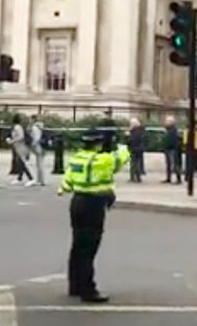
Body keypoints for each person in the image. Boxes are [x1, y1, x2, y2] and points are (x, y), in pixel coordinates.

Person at [59, 126, 130, 304]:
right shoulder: (104, 160)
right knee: (89, 248)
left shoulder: (77, 158)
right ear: (98, 143)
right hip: (94, 204)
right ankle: (88, 289)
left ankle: (74, 285)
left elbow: (66, 184)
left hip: (77, 202)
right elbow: (123, 157)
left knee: (77, 245)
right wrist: (121, 143)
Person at [7, 115, 36, 186]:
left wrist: (12, 141)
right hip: (19, 147)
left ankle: (31, 178)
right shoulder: (17, 127)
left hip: (22, 147)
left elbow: (21, 136)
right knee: (20, 163)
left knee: (23, 163)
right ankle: (19, 178)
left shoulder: (17, 127)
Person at [162, 116, 182, 184]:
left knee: (175, 164)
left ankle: (178, 179)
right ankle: (168, 178)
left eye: (167, 121)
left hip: (172, 149)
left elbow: (173, 140)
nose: (165, 122)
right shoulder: (168, 130)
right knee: (168, 164)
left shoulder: (174, 130)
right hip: (168, 149)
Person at [128, 118, 146, 183]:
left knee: (134, 163)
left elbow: (133, 140)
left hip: (135, 148)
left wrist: (129, 139)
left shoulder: (135, 131)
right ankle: (135, 177)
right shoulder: (139, 131)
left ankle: (136, 177)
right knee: (136, 163)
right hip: (139, 148)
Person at [29, 118, 46, 186]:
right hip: (40, 146)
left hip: (37, 146)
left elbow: (36, 138)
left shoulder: (34, 128)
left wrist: (32, 144)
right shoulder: (39, 127)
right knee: (40, 164)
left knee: (39, 164)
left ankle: (40, 180)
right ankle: (40, 180)